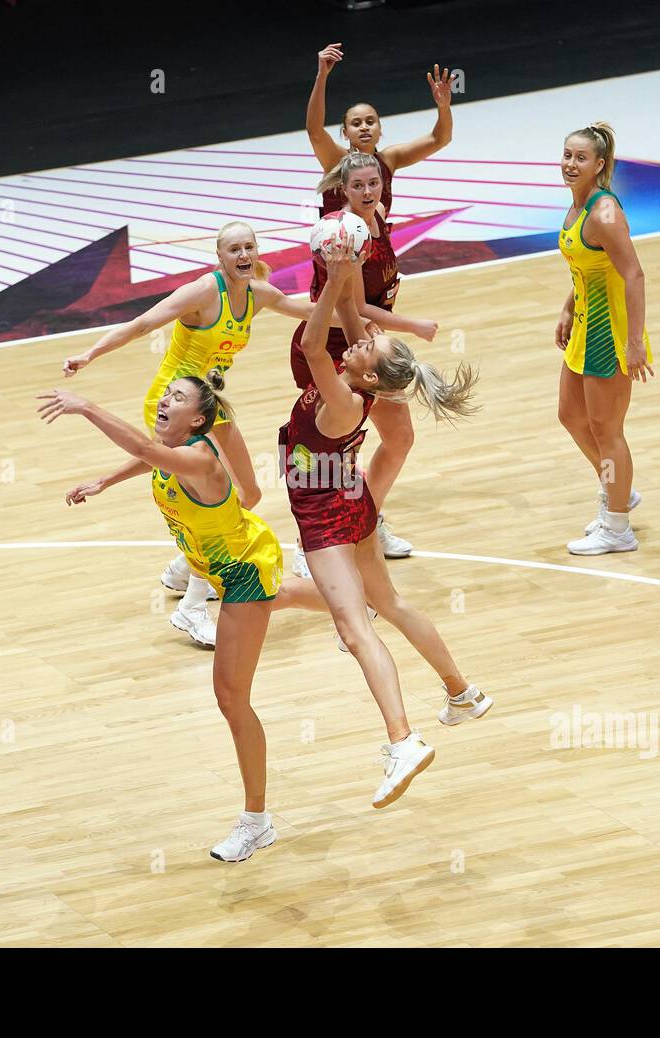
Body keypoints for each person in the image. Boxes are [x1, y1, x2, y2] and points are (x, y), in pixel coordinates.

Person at [37, 371, 330, 863]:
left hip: (240, 574)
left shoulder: (197, 457)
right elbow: (151, 458)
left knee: (232, 698)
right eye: (166, 393)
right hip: (227, 562)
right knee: (282, 597)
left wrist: (87, 407)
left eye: (177, 397)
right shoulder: (173, 449)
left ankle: (256, 822)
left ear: (197, 419)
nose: (164, 400)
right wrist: (104, 481)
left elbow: (156, 456)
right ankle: (356, 604)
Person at [62, 222, 352, 646]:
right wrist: (90, 354)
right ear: (220, 256)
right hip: (176, 405)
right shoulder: (203, 291)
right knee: (215, 509)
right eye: (234, 248)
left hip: (210, 405)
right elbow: (144, 324)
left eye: (249, 247)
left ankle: (183, 568)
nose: (243, 254)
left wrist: (368, 315)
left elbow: (311, 311)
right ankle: (192, 607)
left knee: (248, 495)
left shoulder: (258, 295)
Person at [282, 230, 490, 810]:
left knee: (355, 628)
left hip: (326, 517)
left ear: (368, 375)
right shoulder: (366, 385)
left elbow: (317, 342)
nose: (356, 346)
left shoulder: (343, 395)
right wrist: (342, 271)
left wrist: (331, 285)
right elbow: (343, 329)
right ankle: (461, 691)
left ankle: (402, 739)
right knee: (389, 604)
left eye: (364, 350)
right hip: (354, 501)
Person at [290, 151, 440, 569]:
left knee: (399, 439)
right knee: (330, 452)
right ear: (343, 189)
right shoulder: (347, 235)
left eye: (374, 183)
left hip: (365, 344)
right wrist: (411, 326)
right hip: (337, 347)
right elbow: (353, 307)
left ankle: (367, 518)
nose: (368, 191)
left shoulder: (379, 216)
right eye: (358, 186)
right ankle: (312, 544)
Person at [554, 122, 654, 555]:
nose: (570, 164)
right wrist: (565, 306)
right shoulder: (577, 206)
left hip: (608, 335)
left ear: (599, 165)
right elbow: (590, 267)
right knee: (571, 416)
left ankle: (618, 528)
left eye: (580, 158)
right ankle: (618, 489)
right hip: (583, 324)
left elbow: (633, 273)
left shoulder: (604, 212)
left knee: (606, 428)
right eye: (566, 155)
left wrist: (633, 344)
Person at [306, 43, 455, 219]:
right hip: (339, 245)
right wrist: (321, 76)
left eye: (370, 121)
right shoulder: (336, 160)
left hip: (379, 245)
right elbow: (315, 132)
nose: (364, 127)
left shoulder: (389, 159)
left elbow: (440, 139)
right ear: (345, 133)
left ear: (380, 129)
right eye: (356, 123)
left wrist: (444, 107)